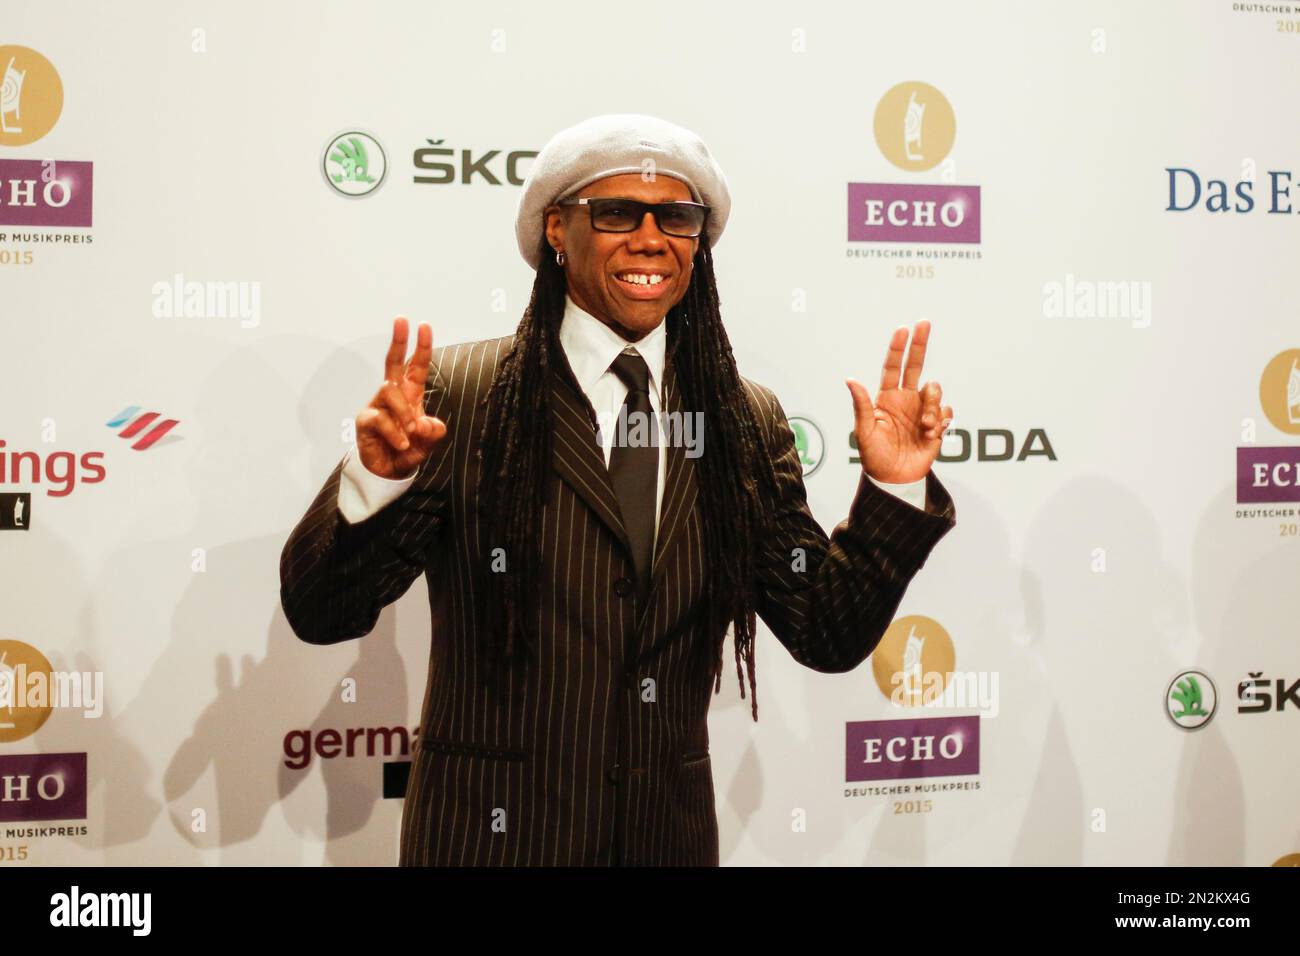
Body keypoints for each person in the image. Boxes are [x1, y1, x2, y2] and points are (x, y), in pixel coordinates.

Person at [280, 113, 957, 866]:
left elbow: (825, 632)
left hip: (665, 842)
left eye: (677, 217)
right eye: (615, 213)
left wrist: (895, 491)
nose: (649, 238)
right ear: (557, 231)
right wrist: (380, 479)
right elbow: (323, 612)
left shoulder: (738, 419)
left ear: (698, 245)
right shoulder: (462, 397)